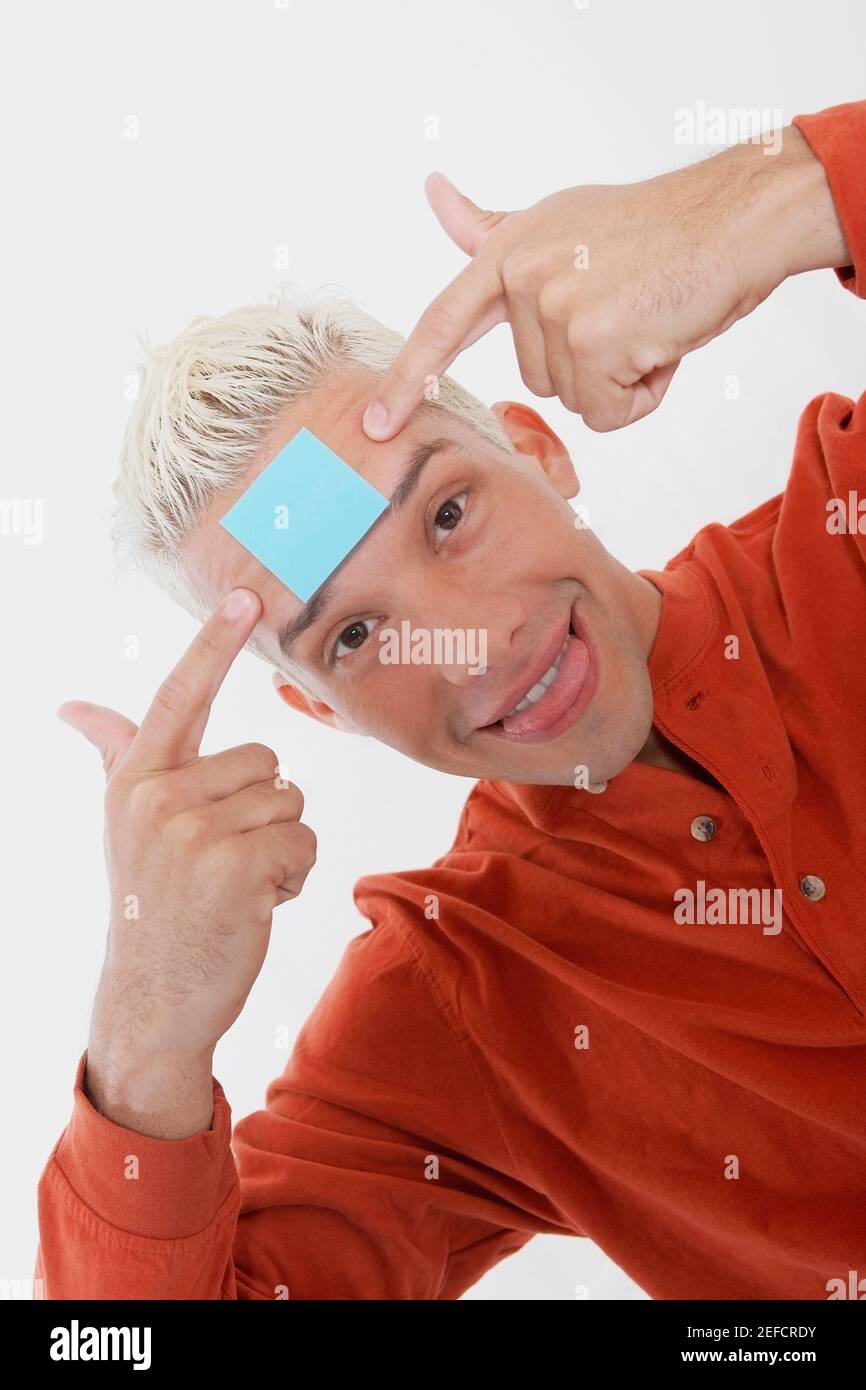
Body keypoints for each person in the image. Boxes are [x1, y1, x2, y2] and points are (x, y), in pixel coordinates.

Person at [36, 100, 866, 1300]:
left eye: (446, 513)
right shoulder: (456, 1010)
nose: (470, 640)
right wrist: (145, 1033)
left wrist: (786, 196)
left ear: (538, 447)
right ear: (321, 711)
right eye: (358, 632)